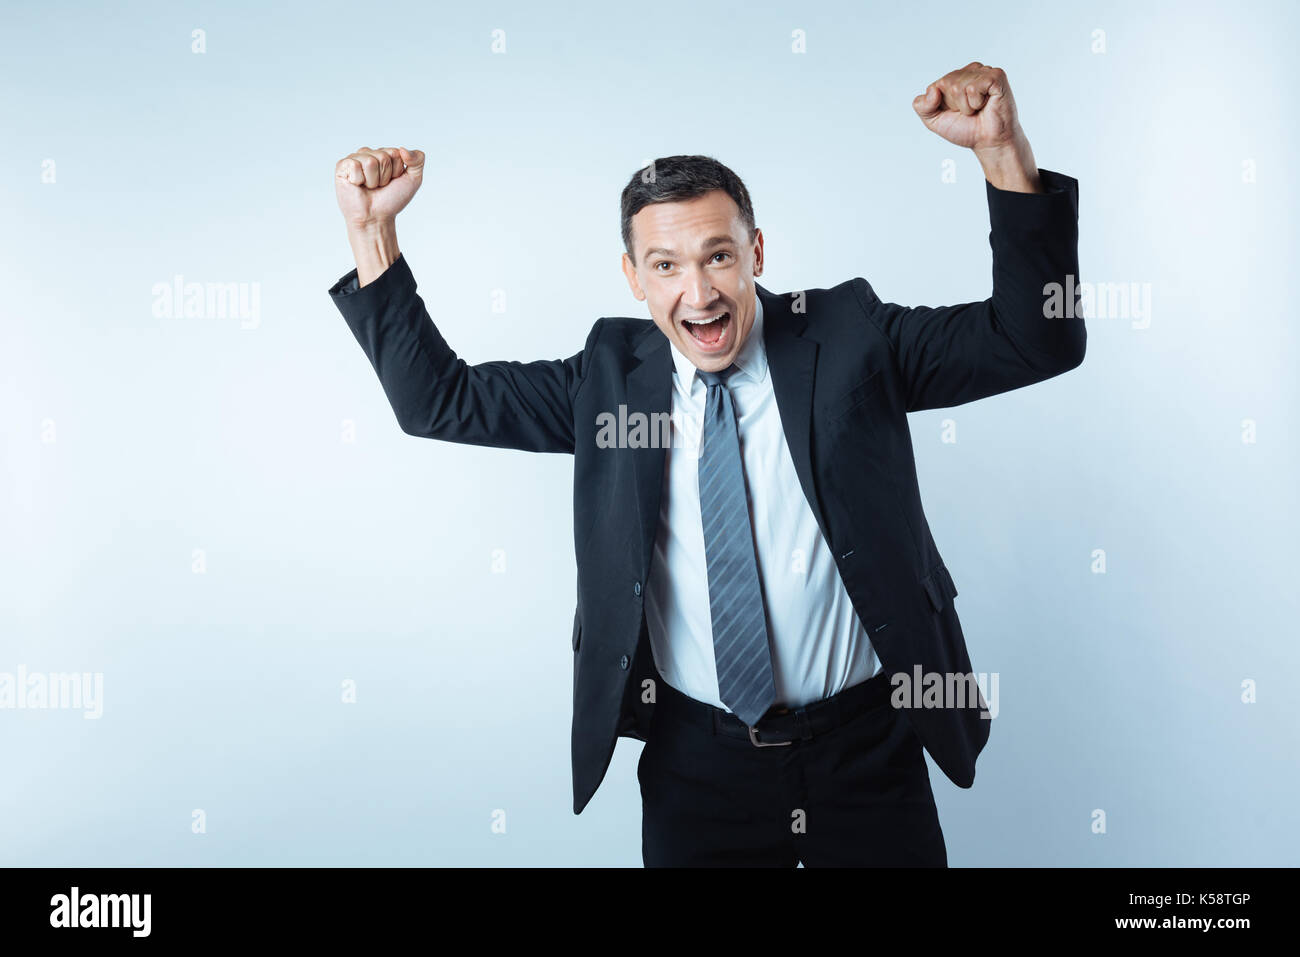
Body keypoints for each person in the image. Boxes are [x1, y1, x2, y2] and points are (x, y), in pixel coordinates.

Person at [327, 61, 1085, 866]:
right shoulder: (607, 378)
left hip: (867, 745)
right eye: (665, 266)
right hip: (700, 763)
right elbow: (438, 401)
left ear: (756, 252)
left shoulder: (852, 336)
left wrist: (1004, 154)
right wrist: (373, 233)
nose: (699, 293)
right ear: (633, 277)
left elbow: (1035, 338)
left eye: (718, 256)